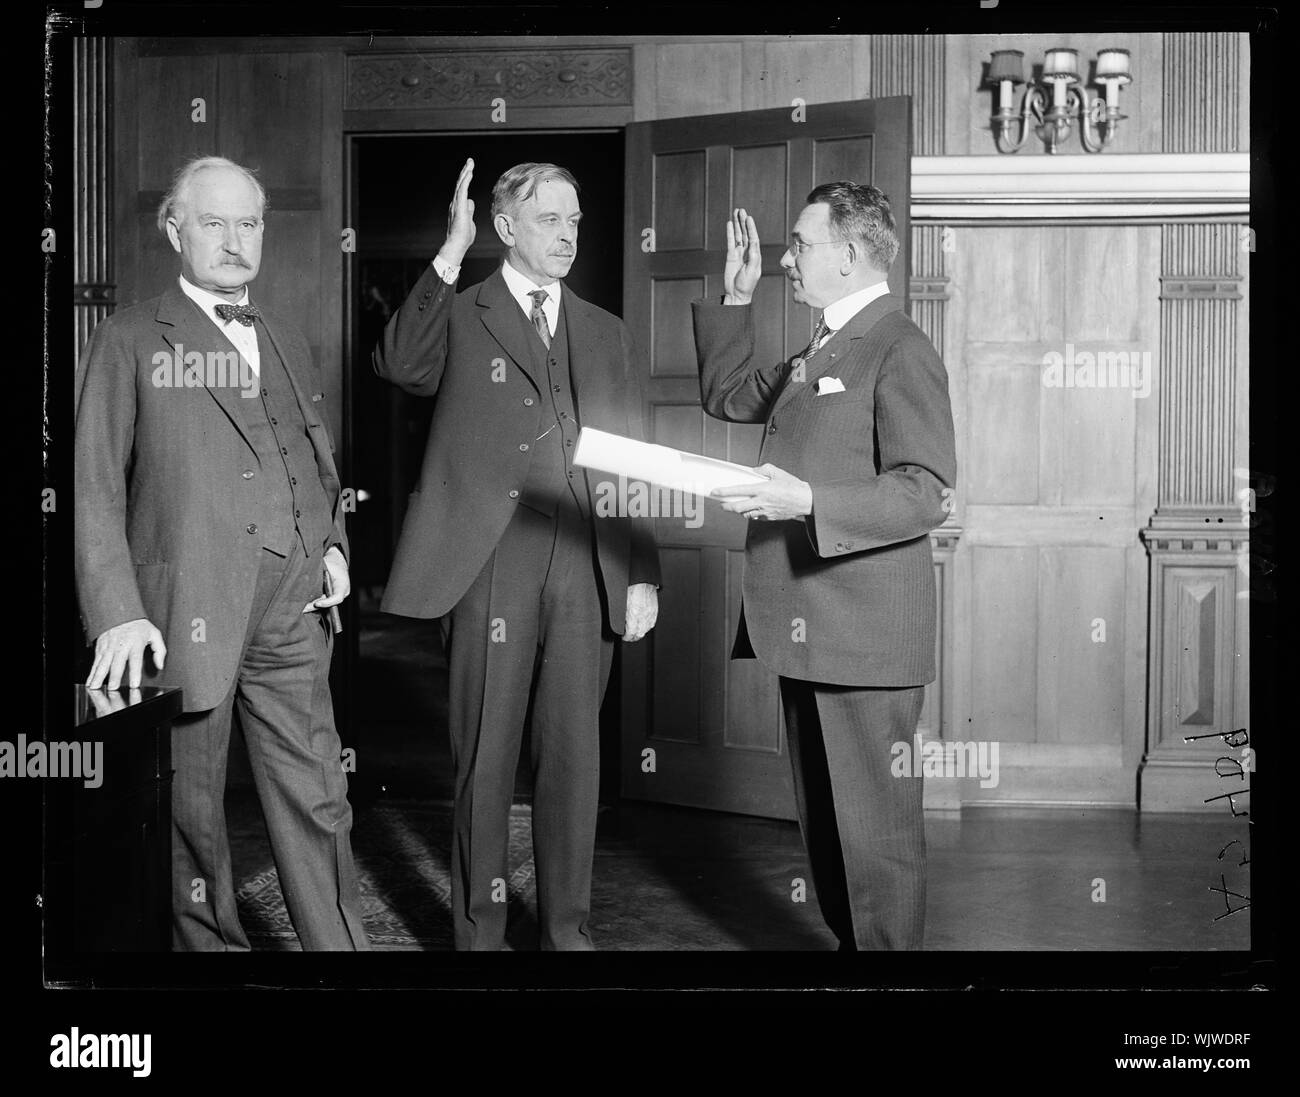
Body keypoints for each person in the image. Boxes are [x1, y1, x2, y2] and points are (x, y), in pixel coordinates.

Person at [75, 156, 369, 951]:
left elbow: (313, 455)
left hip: (291, 608)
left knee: (318, 798)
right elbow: (94, 486)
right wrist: (116, 615)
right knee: (189, 818)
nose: (236, 241)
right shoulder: (129, 335)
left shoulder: (282, 332)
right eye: (214, 222)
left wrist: (331, 547)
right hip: (182, 612)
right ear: (175, 231)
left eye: (250, 223)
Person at [372, 159, 661, 950]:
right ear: (505, 228)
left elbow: (634, 460)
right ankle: (479, 935)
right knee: (485, 760)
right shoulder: (462, 312)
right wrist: (447, 253)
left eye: (575, 221)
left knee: (575, 761)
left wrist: (639, 572)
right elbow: (399, 364)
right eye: (548, 221)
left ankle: (568, 934)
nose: (568, 235)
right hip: (489, 560)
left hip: (586, 560)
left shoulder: (605, 331)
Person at [691, 183, 957, 950]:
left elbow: (925, 492)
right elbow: (730, 395)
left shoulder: (899, 345)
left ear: (846, 254)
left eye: (799, 245)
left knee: (877, 842)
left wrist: (807, 498)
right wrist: (736, 300)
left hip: (866, 636)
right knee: (833, 832)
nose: (784, 258)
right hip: (813, 627)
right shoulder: (826, 344)